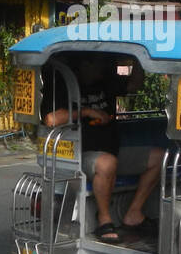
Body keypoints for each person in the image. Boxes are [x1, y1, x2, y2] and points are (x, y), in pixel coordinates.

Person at [42, 54, 163, 243]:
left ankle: (133, 213)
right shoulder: (65, 88)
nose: (106, 68)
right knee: (107, 163)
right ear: (85, 64)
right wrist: (87, 112)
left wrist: (139, 59)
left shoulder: (106, 82)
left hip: (111, 150)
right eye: (101, 63)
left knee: (158, 158)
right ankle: (104, 220)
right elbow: (51, 119)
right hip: (82, 155)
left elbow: (134, 85)